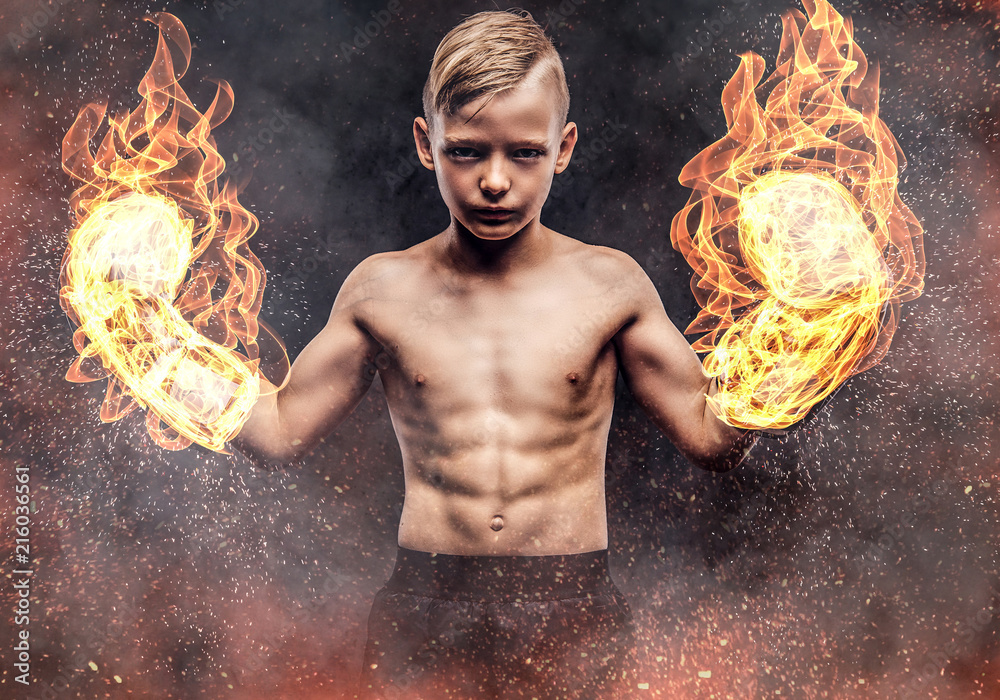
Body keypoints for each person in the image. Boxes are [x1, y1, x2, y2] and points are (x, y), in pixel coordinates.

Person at [234, 9, 757, 698]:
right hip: (427, 605)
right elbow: (277, 432)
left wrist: (800, 366)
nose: (495, 181)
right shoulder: (380, 290)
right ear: (428, 144)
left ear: (563, 148)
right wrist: (154, 354)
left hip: (569, 608)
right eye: (468, 151)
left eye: (525, 153)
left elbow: (711, 437)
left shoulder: (611, 284)